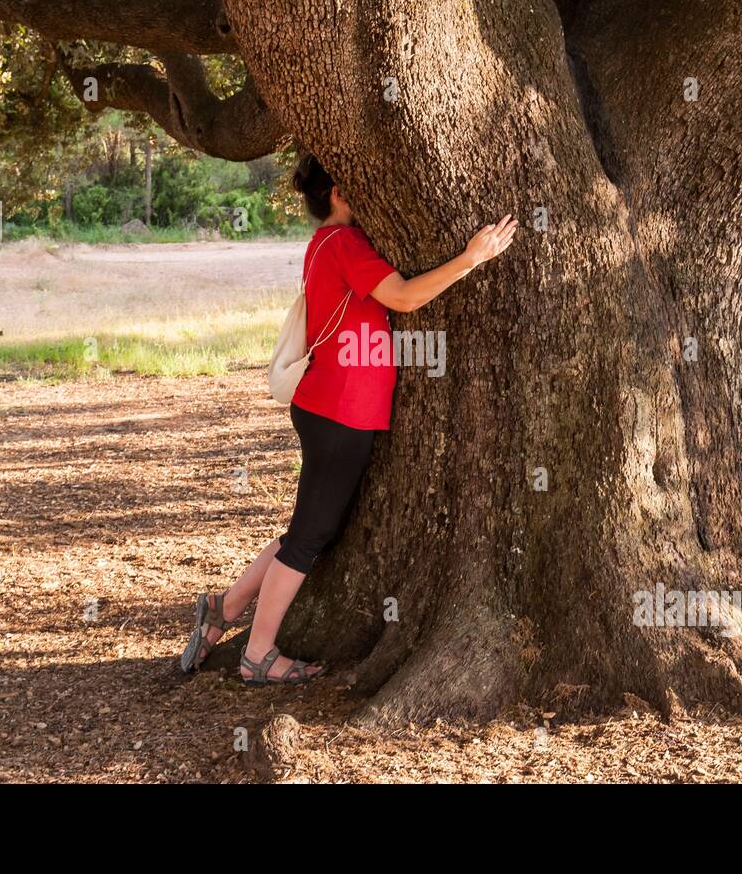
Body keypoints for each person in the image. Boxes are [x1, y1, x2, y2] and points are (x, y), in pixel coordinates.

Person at [179, 154, 517, 685]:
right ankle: (257, 654)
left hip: (330, 407)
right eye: (359, 189)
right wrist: (472, 258)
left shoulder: (323, 244)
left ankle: (226, 609)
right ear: (337, 193)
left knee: (311, 530)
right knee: (309, 538)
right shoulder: (344, 243)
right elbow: (404, 297)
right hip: (340, 412)